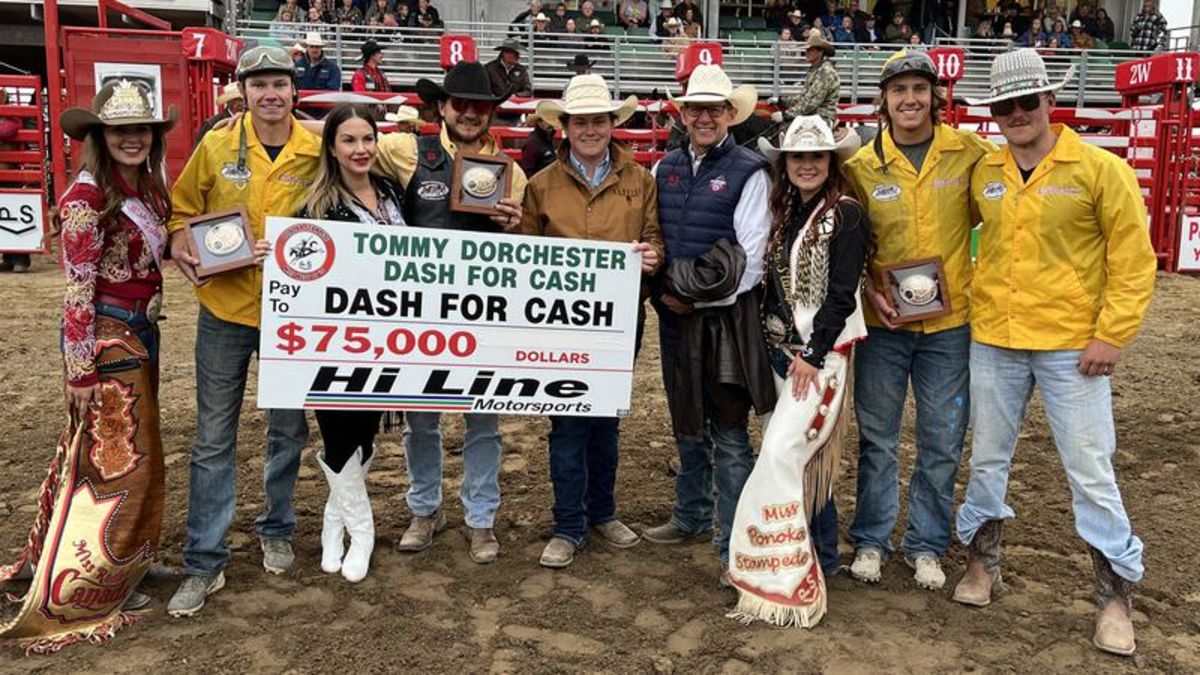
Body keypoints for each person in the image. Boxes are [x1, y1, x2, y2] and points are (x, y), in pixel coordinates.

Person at [955, 48, 1156, 657]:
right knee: (988, 457)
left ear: (1049, 103)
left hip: (1073, 345)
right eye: (1003, 106)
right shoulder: (984, 172)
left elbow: (1133, 258)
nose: (1015, 114)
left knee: (1090, 469)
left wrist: (1111, 333)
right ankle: (983, 563)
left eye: (1025, 102)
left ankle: (1115, 594)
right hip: (995, 336)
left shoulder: (1099, 169)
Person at [0, 80, 175, 649]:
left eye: (140, 129)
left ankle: (125, 562)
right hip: (105, 338)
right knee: (114, 462)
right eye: (120, 130)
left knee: (130, 454)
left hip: (138, 330)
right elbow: (77, 288)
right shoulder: (85, 199)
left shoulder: (145, 190)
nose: (132, 138)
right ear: (100, 137)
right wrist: (79, 370)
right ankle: (98, 574)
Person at [165, 46, 318, 618]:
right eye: (259, 85)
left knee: (287, 429)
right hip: (226, 308)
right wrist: (181, 241)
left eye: (279, 83)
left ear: (293, 90)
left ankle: (276, 525)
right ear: (244, 91)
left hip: (292, 312)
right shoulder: (216, 145)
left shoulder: (315, 148)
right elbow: (183, 210)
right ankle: (204, 559)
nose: (270, 94)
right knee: (211, 438)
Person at [842, 51, 994, 591]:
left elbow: (999, 222)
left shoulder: (969, 154)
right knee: (878, 438)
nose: (910, 99)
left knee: (942, 439)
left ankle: (927, 544)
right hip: (885, 327)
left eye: (919, 89)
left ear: (935, 95)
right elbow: (851, 247)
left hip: (950, 327)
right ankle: (871, 540)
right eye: (899, 89)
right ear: (883, 99)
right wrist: (867, 290)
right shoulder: (860, 167)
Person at [367, 60, 527, 563]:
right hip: (419, 312)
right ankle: (425, 508)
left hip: (483, 312)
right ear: (441, 107)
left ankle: (481, 517)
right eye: (462, 104)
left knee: (484, 422)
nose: (471, 114)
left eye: (480, 107)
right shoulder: (404, 150)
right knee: (422, 419)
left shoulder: (512, 172)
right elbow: (352, 159)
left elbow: (519, 244)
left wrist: (513, 226)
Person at [728, 114, 869, 628]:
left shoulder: (847, 216)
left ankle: (782, 568)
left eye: (815, 156)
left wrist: (813, 353)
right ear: (784, 164)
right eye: (797, 157)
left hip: (819, 357)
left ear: (830, 162)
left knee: (784, 453)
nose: (806, 165)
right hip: (782, 350)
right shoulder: (791, 214)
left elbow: (841, 293)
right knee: (802, 461)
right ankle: (817, 556)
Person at [519, 74, 664, 568]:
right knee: (567, 423)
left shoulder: (640, 181)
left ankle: (601, 511)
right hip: (561, 322)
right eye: (581, 121)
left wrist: (652, 258)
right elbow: (524, 257)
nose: (590, 129)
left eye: (598, 120)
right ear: (565, 127)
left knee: (605, 421)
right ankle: (568, 523)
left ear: (611, 124)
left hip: (621, 319)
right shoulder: (540, 187)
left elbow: (654, 239)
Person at [642, 65, 776, 586]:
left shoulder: (749, 171)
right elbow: (654, 239)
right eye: (695, 108)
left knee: (728, 431)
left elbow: (752, 262)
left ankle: (733, 540)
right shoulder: (664, 168)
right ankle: (692, 514)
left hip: (725, 321)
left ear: (729, 115)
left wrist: (690, 297)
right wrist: (663, 290)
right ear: (684, 114)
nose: (703, 116)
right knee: (687, 422)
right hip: (676, 315)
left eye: (713, 109)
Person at [297, 104, 406, 584]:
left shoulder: (391, 191)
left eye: (367, 139)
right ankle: (361, 531)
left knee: (362, 433)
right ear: (332, 148)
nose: (360, 149)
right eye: (349, 141)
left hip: (387, 339)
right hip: (336, 341)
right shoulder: (316, 207)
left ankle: (333, 523)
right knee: (339, 431)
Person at [0, 88, 30, 273]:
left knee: (12, 216)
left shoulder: (10, 117)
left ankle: (19, 258)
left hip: (8, 176)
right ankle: (9, 257)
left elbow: (7, 131)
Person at [784, 32, 840, 130]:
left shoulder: (825, 72)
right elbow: (805, 97)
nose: (807, 53)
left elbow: (812, 102)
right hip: (812, 115)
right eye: (806, 50)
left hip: (822, 117)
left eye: (810, 50)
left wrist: (786, 114)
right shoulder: (814, 70)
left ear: (820, 52)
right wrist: (783, 101)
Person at [520, 111, 557, 175]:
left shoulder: (547, 139)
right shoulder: (532, 144)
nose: (550, 122)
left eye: (551, 119)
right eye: (547, 119)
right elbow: (528, 172)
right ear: (539, 122)